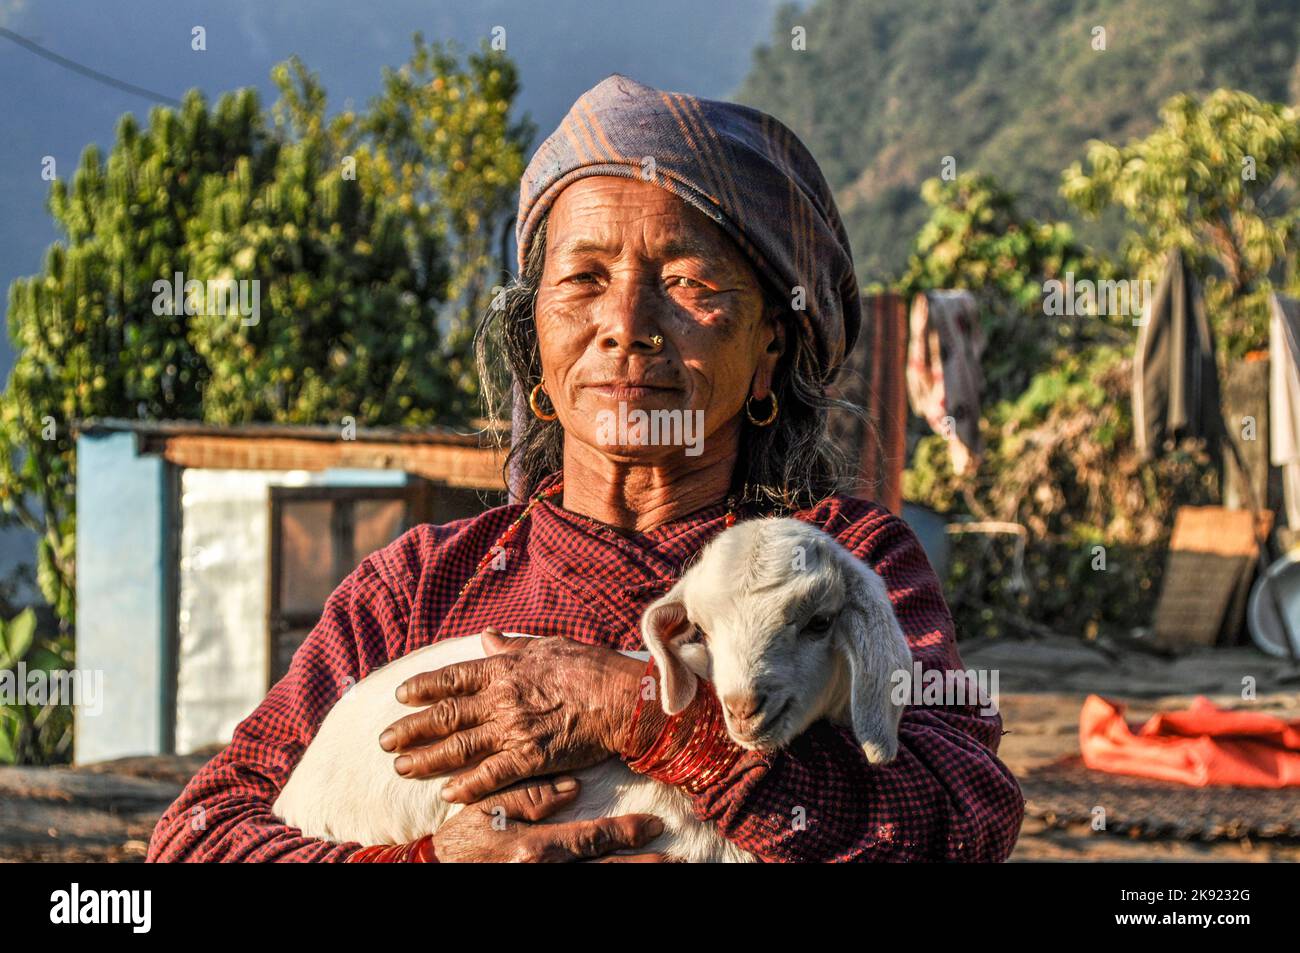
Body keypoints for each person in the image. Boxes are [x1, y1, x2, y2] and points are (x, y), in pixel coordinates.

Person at [147, 74, 1023, 863]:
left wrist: (641, 708)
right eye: (584, 279)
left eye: (689, 284)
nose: (626, 323)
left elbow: (961, 817)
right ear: (537, 343)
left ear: (768, 354)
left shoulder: (840, 563)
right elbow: (199, 836)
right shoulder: (418, 588)